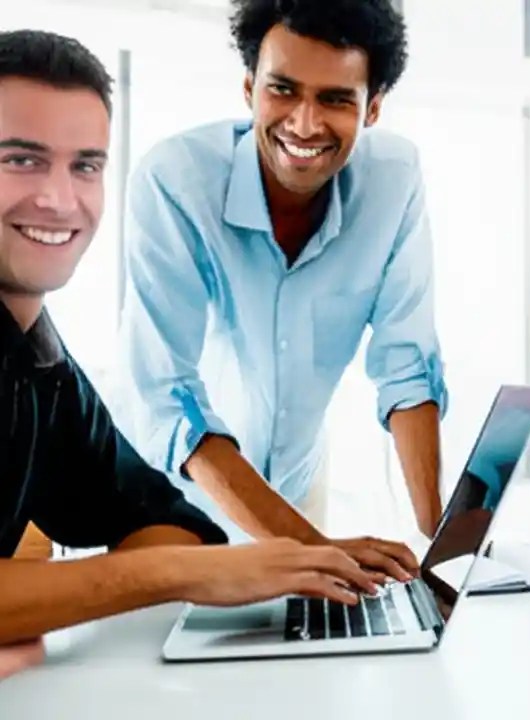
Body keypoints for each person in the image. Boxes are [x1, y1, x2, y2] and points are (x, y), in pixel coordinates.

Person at [0, 29, 380, 681]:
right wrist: (183, 573)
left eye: (85, 166)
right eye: (21, 160)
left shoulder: (40, 360)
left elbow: (165, 522)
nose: (60, 200)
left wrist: (39, 604)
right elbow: (180, 557)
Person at [114, 0, 446, 581]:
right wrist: (314, 549)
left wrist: (440, 549)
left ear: (372, 108)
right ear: (249, 88)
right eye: (283, 90)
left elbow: (407, 367)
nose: (305, 124)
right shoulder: (176, 181)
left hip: (293, 495)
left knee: (324, 635)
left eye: (335, 99)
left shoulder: (393, 180)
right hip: (165, 502)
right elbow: (170, 396)